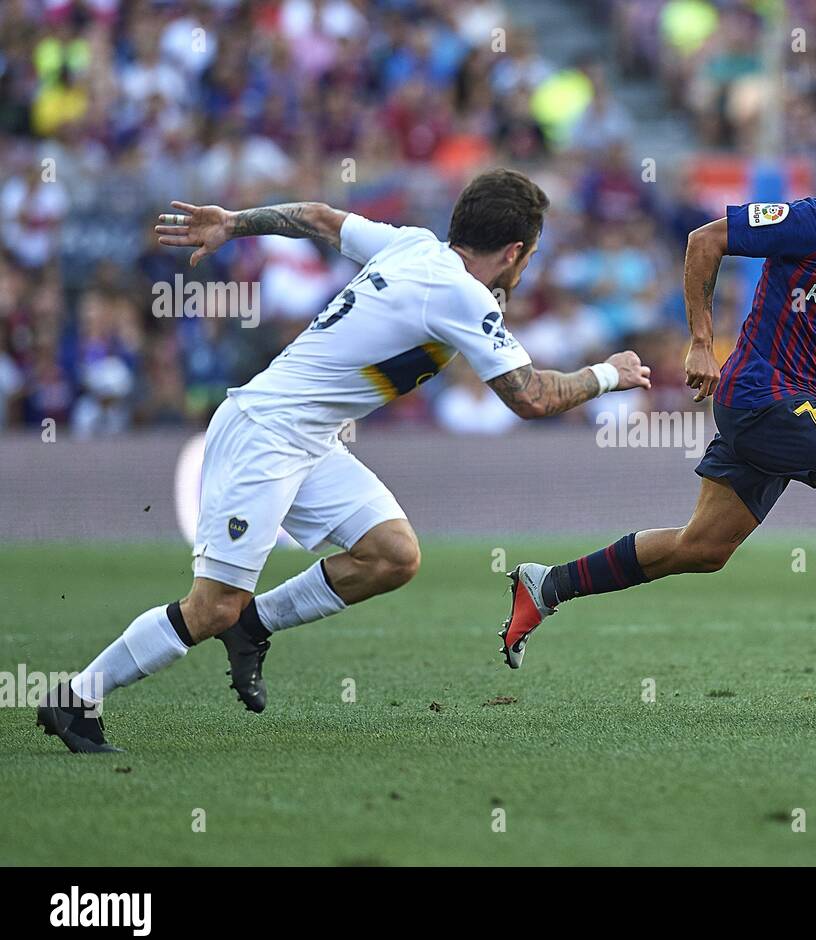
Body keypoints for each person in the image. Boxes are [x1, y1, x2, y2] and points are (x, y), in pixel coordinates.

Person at [37, 168, 652, 753]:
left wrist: (234, 222)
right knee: (211, 605)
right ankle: (75, 697)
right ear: (516, 251)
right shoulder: (462, 295)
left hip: (309, 438)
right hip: (267, 433)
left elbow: (319, 217)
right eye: (532, 256)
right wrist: (607, 374)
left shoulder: (413, 244)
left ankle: (254, 626)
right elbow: (532, 397)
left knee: (392, 555)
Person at [498, 111, 816, 701]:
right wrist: (702, 342)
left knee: (701, 548)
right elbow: (704, 241)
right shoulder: (815, 220)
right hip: (766, 396)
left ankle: (546, 585)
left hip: (773, 403)